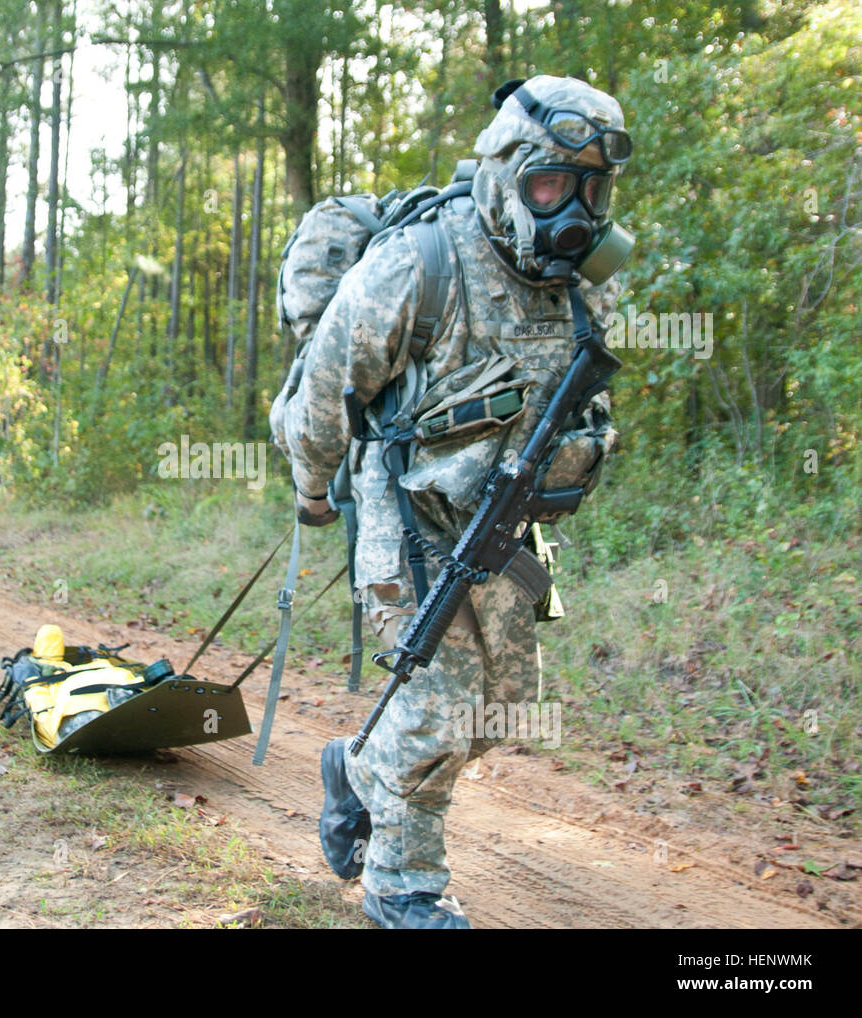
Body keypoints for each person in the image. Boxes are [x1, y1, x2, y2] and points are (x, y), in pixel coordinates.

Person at [271, 75, 631, 928]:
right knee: (436, 707)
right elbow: (325, 392)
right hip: (405, 504)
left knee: (493, 709)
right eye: (550, 184)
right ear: (507, 172)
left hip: (507, 515)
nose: (571, 211)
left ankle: (354, 771)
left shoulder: (591, 276)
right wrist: (314, 491)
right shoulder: (418, 263)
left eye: (591, 188)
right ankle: (402, 890)